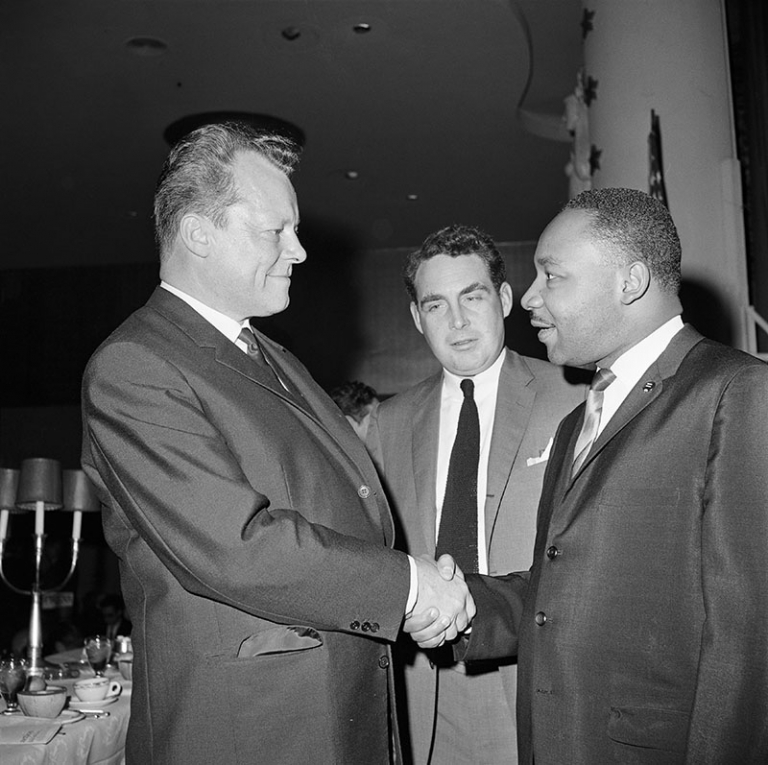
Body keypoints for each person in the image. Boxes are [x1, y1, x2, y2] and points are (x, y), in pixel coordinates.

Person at [80, 121, 474, 765]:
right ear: (197, 232)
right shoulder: (136, 365)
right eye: (275, 231)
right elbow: (236, 547)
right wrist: (408, 585)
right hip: (251, 730)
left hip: (326, 711)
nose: (299, 251)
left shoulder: (269, 352)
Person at [410, 188, 768, 764]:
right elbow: (556, 588)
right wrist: (458, 603)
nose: (527, 298)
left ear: (629, 282)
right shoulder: (582, 416)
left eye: (552, 276)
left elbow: (749, 638)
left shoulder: (737, 391)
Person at [367, 224, 587, 764]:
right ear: (418, 319)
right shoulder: (389, 422)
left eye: (474, 297)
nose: (459, 321)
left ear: (506, 300)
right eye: (436, 305)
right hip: (424, 690)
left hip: (536, 677)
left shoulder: (575, 398)